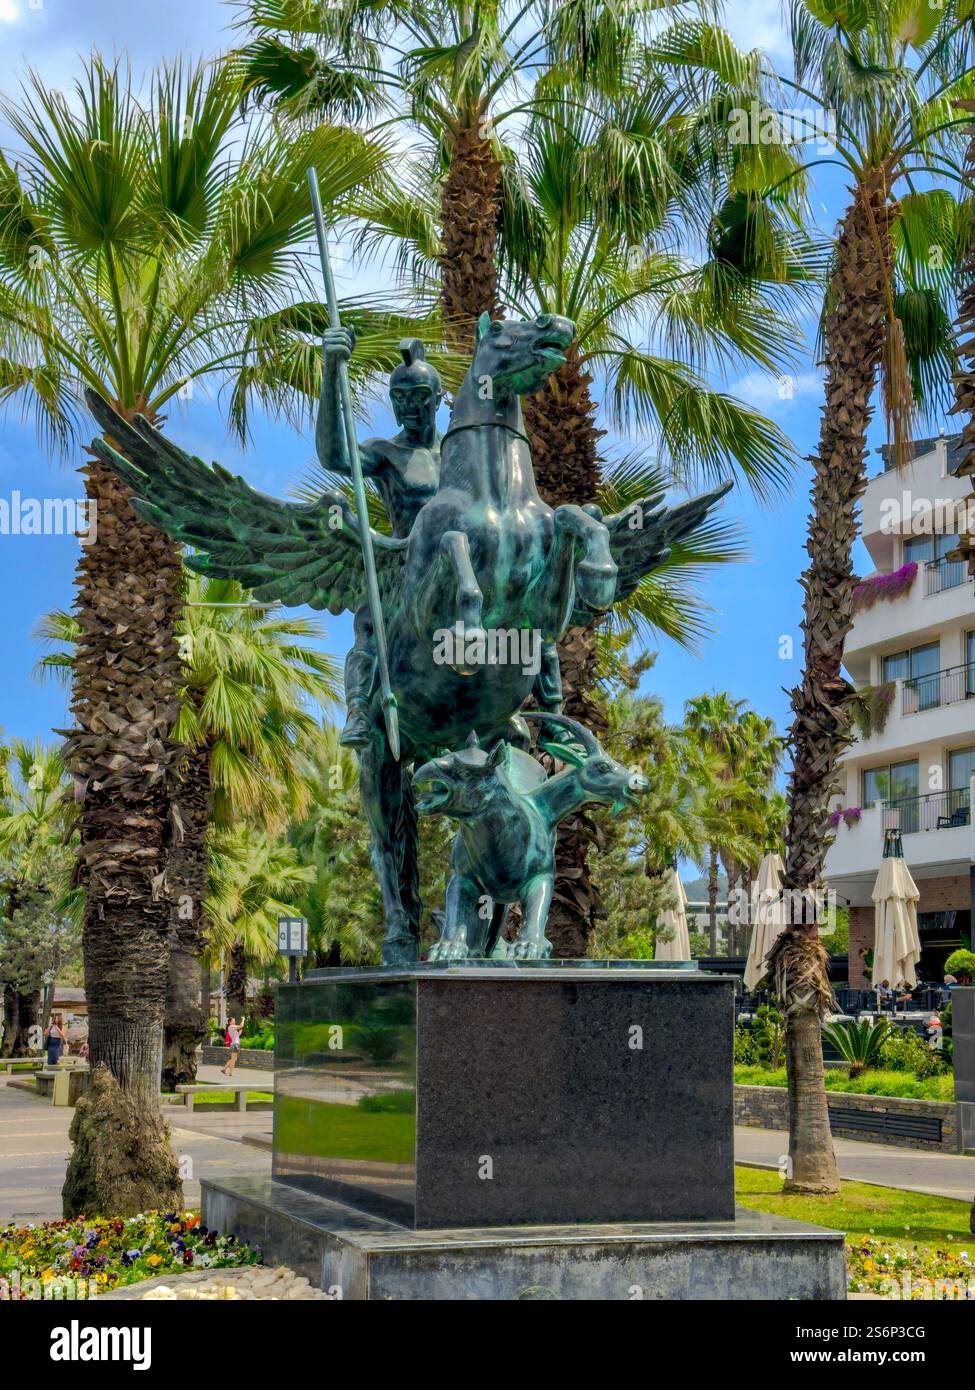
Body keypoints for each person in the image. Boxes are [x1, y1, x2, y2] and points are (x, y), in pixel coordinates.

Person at [317, 329, 569, 750]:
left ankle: (553, 711)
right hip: (411, 564)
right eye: (400, 398)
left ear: (438, 400)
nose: (410, 407)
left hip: (480, 559)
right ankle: (360, 708)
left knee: (526, 601)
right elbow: (336, 456)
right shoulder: (386, 452)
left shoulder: (462, 450)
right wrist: (331, 368)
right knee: (369, 618)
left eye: (418, 396)